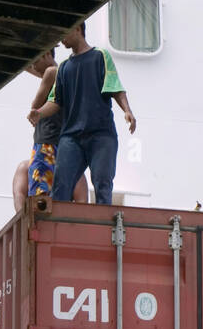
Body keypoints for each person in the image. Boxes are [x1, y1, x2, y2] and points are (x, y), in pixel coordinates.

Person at [28, 23, 136, 206]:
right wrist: (39, 113)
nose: (62, 39)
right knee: (61, 186)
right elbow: (55, 101)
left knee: (102, 182)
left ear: (78, 28)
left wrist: (127, 110)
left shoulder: (100, 56)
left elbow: (115, 87)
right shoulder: (63, 67)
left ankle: (102, 225)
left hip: (101, 134)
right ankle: (58, 227)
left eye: (65, 33)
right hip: (71, 137)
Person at [13, 50, 89, 210]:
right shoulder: (66, 76)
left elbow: (35, 105)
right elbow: (39, 71)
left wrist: (35, 113)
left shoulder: (51, 72)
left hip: (46, 143)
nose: (34, 67)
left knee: (40, 196)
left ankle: (35, 225)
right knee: (59, 193)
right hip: (64, 145)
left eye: (35, 61)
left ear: (47, 54)